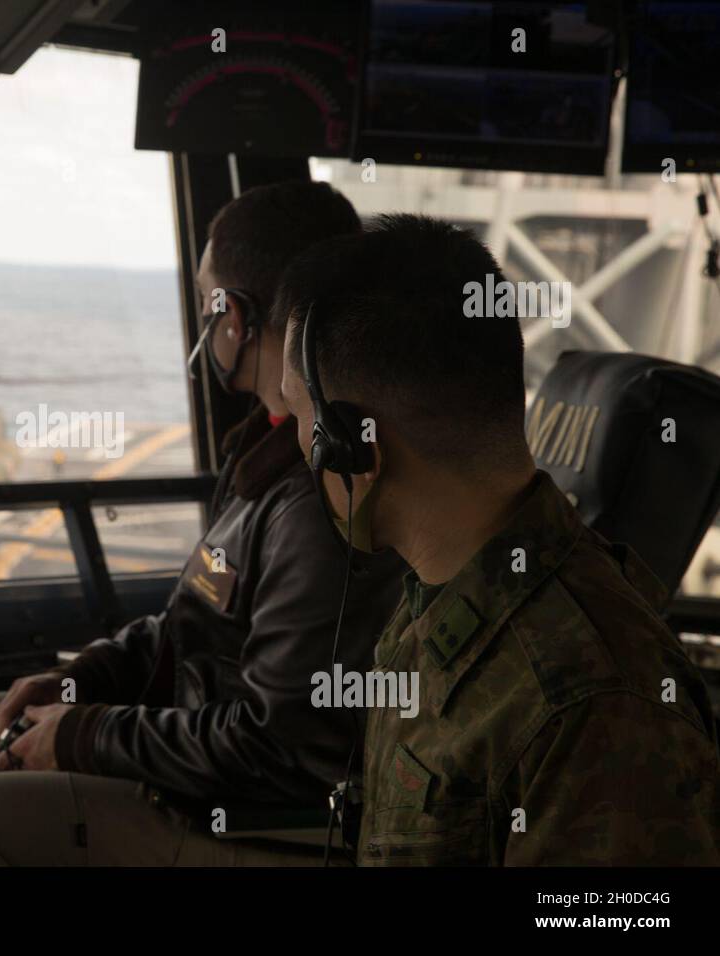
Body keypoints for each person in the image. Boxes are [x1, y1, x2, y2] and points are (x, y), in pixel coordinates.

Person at [0, 182, 405, 866]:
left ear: (233, 315)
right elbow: (193, 627)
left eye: (208, 307)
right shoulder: (263, 449)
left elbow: (282, 749)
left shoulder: (316, 501)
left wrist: (87, 736)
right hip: (201, 759)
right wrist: (91, 677)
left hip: (263, 820)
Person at [275, 213, 720, 865]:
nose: (297, 448)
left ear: (353, 447)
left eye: (300, 418)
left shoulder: (588, 702)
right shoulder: (439, 593)